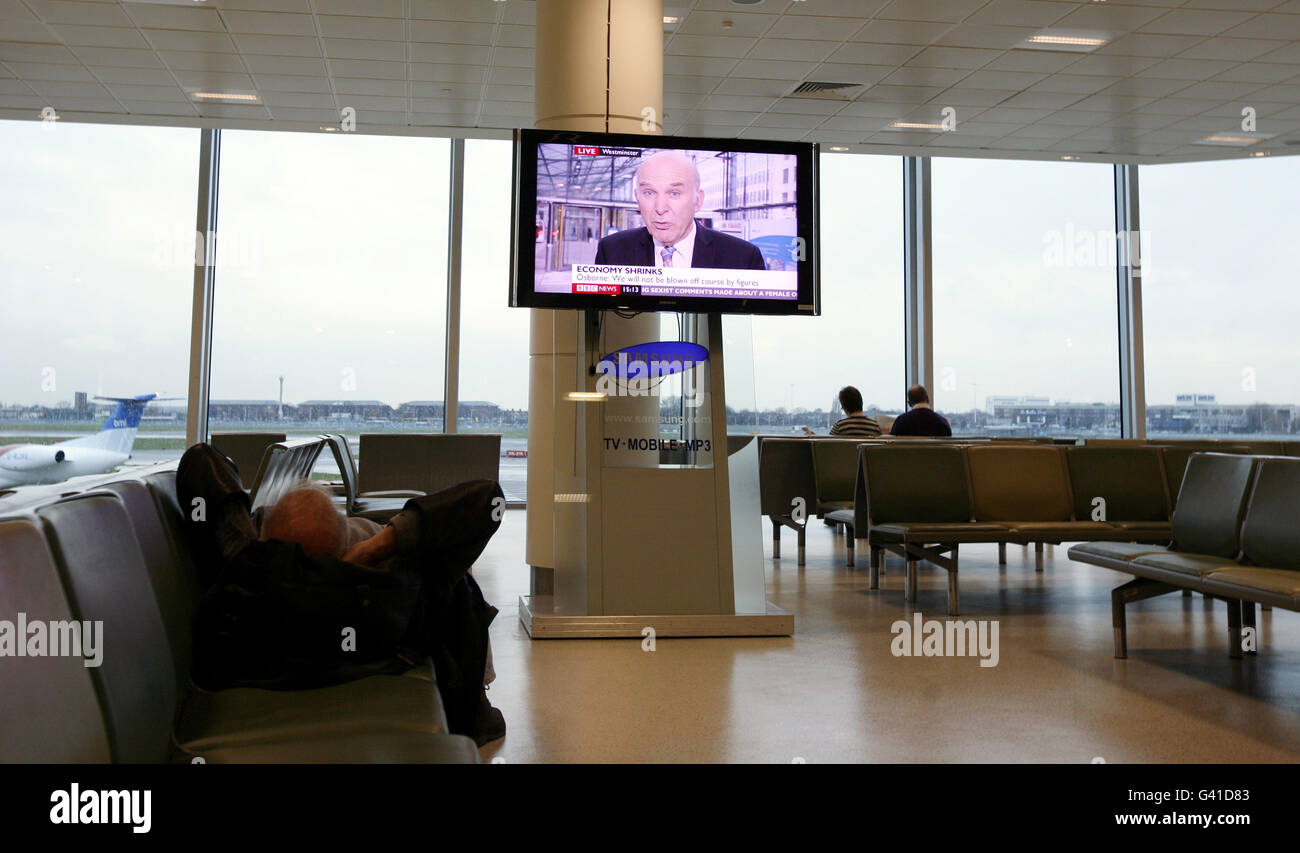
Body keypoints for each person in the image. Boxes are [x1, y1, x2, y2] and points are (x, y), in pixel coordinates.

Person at [176, 442, 506, 744]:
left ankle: (478, 700)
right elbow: (488, 498)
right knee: (455, 582)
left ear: (265, 537)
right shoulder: (375, 595)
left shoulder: (243, 569)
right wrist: (374, 549)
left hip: (276, 660)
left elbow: (201, 459)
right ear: (342, 551)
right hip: (363, 624)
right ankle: (478, 702)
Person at [593, 150, 766, 270]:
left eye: (674, 193)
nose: (660, 208)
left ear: (698, 200)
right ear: (637, 198)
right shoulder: (612, 251)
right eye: (649, 193)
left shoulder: (743, 258)